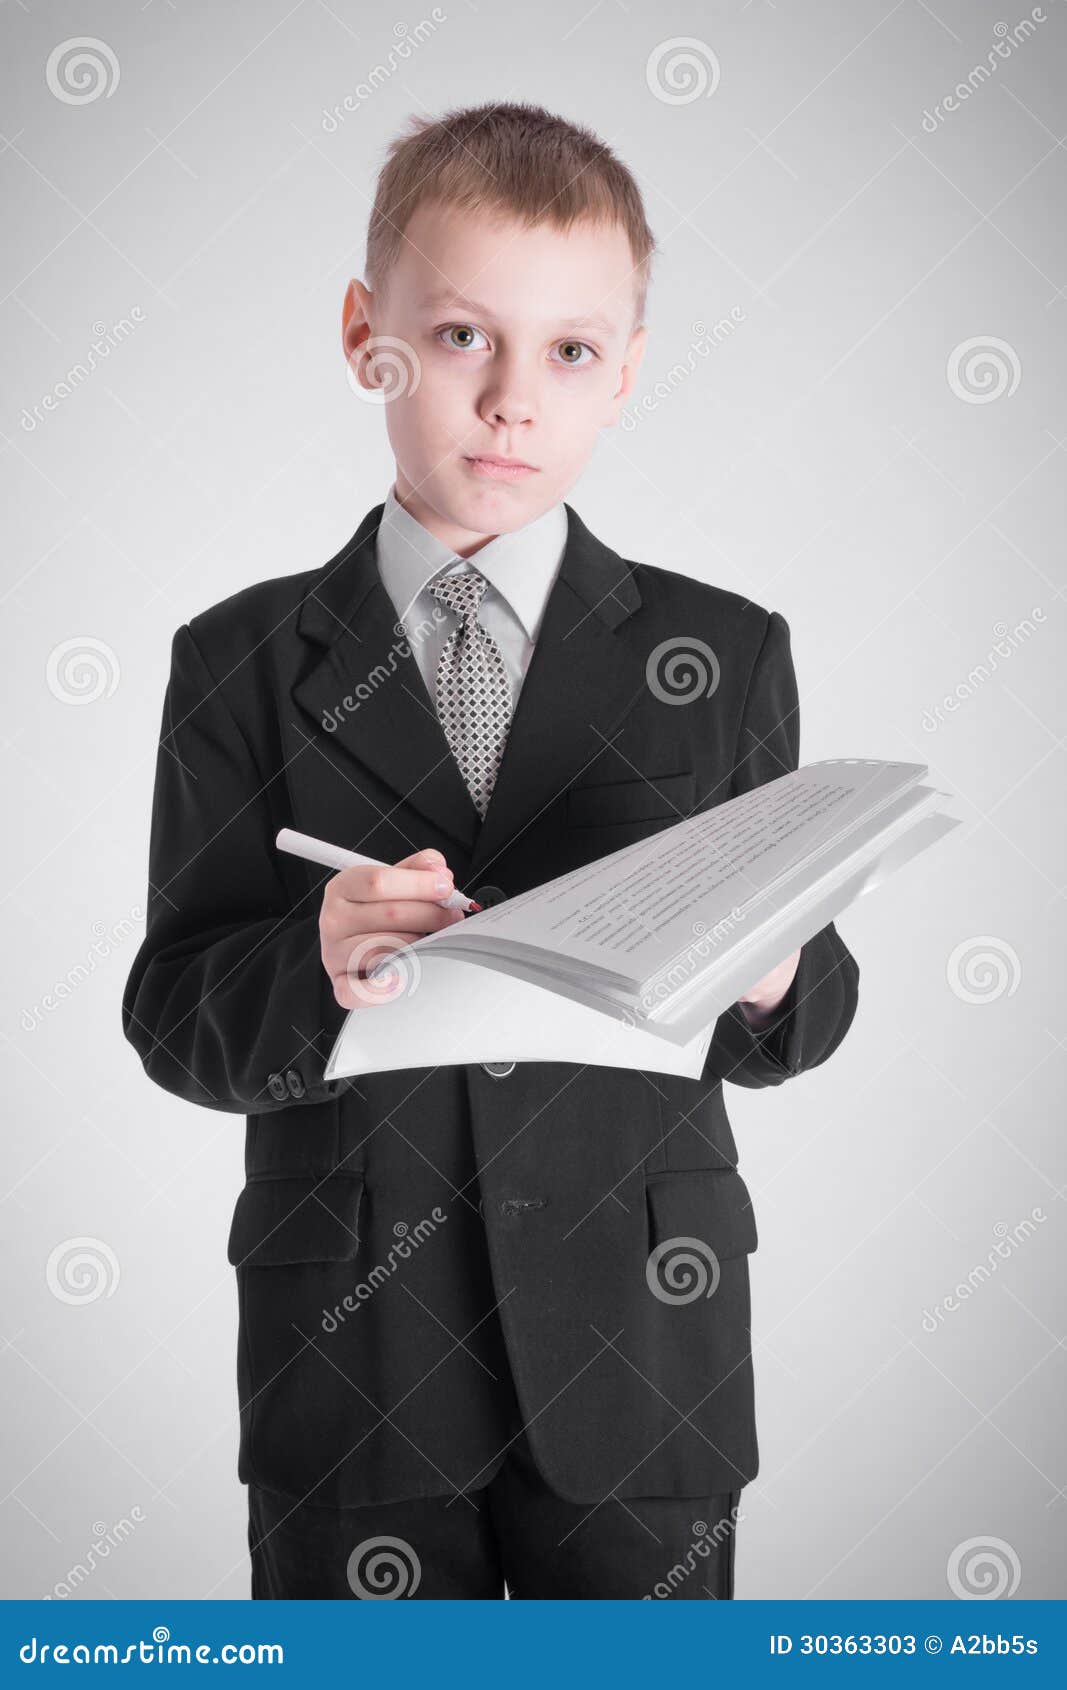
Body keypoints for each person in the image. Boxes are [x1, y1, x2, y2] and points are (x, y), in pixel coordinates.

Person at [122, 100, 859, 1600]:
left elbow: (805, 1017)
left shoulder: (721, 652)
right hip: (356, 1365)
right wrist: (315, 962)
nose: (513, 401)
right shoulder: (238, 659)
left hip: (643, 1353)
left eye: (570, 351)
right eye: (462, 336)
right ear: (367, 337)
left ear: (626, 372)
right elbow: (177, 1018)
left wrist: (774, 967)